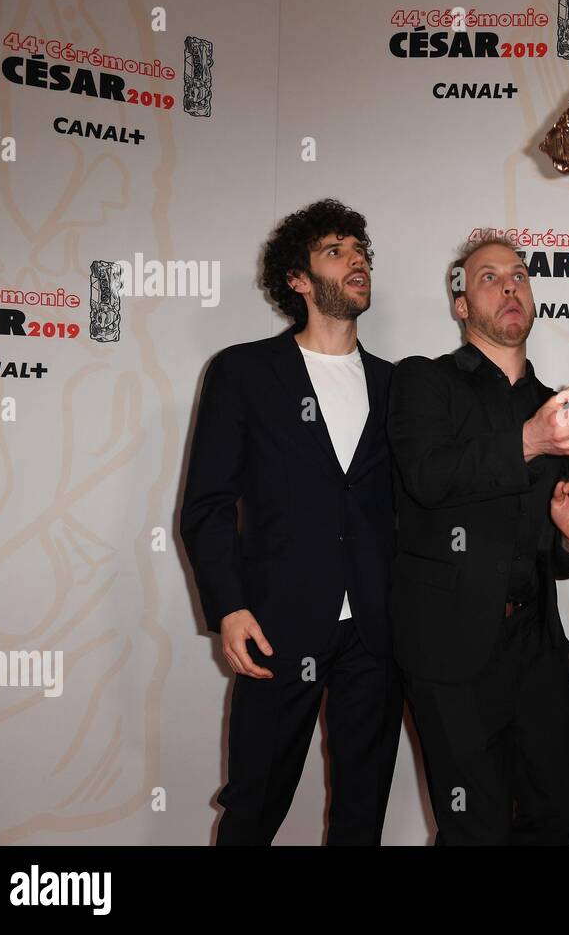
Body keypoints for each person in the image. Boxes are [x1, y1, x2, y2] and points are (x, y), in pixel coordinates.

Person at [387, 233, 569, 845]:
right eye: (488, 277)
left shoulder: (555, 408)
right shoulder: (423, 382)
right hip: (449, 648)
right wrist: (530, 441)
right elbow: (429, 479)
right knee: (474, 826)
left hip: (536, 645)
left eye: (519, 274)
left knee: (556, 801)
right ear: (462, 306)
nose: (509, 285)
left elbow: (560, 559)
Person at [180, 199, 402, 845]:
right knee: (254, 803)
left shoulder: (399, 387)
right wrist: (228, 607)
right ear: (298, 280)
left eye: (361, 249)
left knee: (363, 814)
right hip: (276, 622)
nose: (357, 259)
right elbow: (207, 504)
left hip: (376, 632)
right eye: (337, 250)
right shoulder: (243, 373)